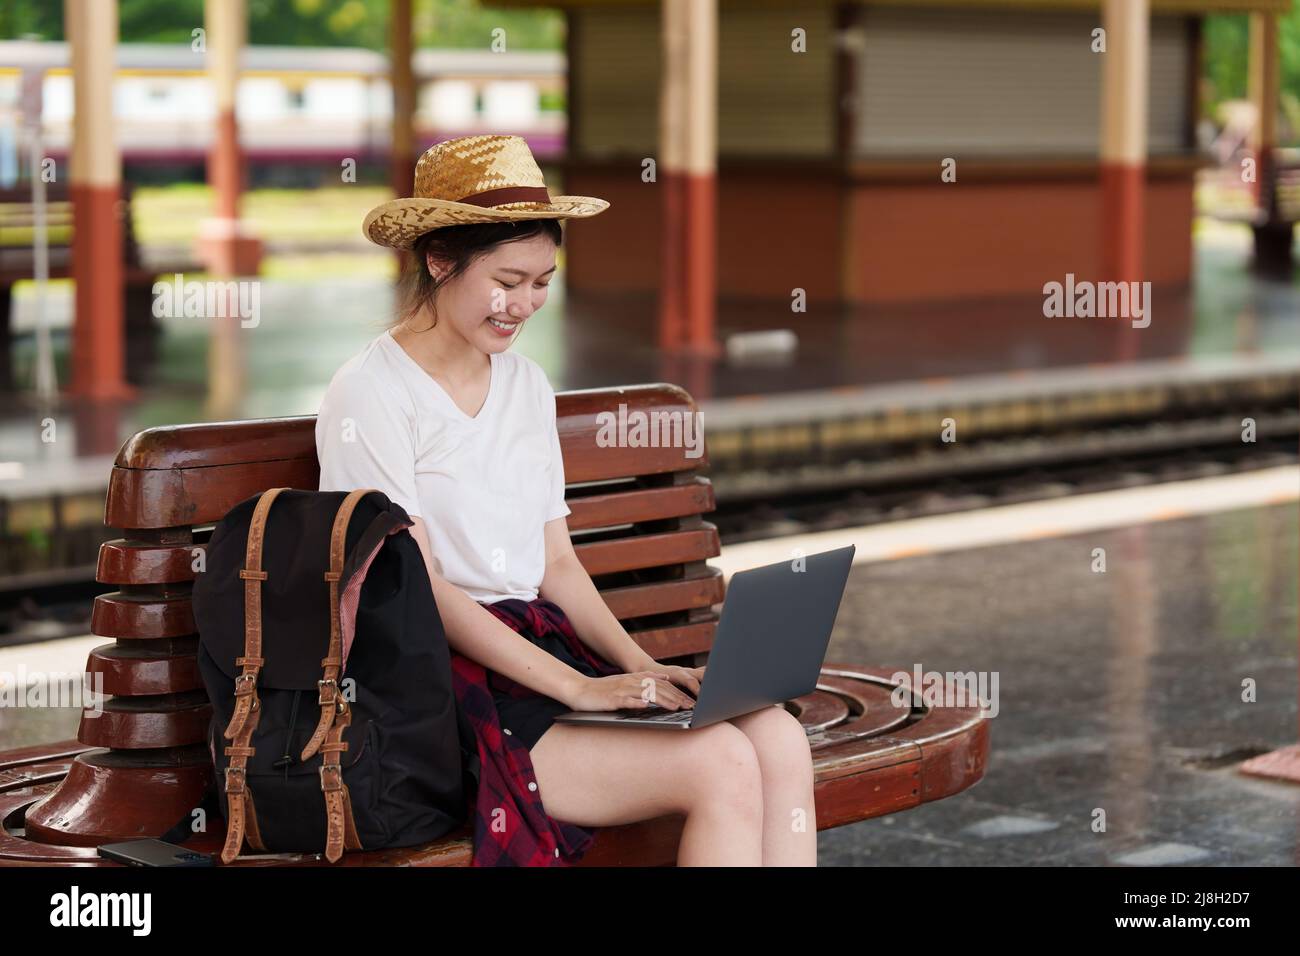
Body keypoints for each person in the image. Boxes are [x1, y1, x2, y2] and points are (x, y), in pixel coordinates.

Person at [316, 134, 815, 866]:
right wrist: (578, 689)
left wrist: (641, 668)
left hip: (543, 652)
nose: (525, 304)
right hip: (444, 683)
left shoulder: (524, 384)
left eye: (542, 281)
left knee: (776, 734)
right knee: (720, 763)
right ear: (440, 259)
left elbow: (557, 563)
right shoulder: (371, 393)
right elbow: (418, 587)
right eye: (507, 279)